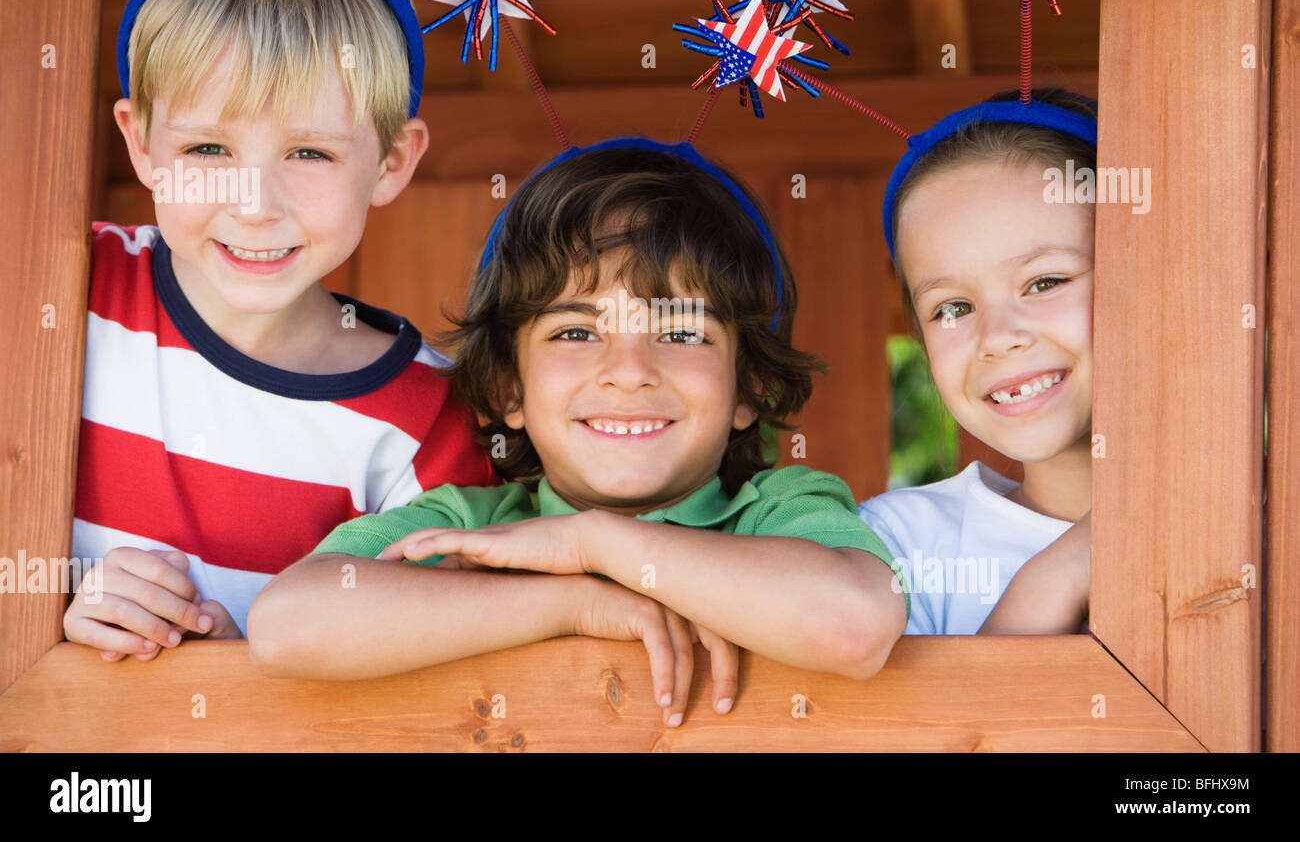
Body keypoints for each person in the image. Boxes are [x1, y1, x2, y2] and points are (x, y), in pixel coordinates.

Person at [248, 139, 908, 727]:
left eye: (679, 332)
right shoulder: (471, 523)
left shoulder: (782, 510)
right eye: (575, 332)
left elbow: (853, 624)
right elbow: (288, 625)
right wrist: (575, 603)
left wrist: (590, 539)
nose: (628, 372)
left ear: (748, 388)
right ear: (510, 387)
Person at [63, 0, 495, 661]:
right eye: (207, 151)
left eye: (309, 153)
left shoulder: (430, 427)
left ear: (392, 162)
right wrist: (49, 606)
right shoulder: (63, 288)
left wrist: (238, 663)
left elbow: (432, 691)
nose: (255, 205)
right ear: (140, 144)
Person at [858, 87, 1096, 635]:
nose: (997, 337)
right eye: (954, 307)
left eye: (1044, 282)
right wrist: (1052, 580)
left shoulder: (1271, 514)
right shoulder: (900, 547)